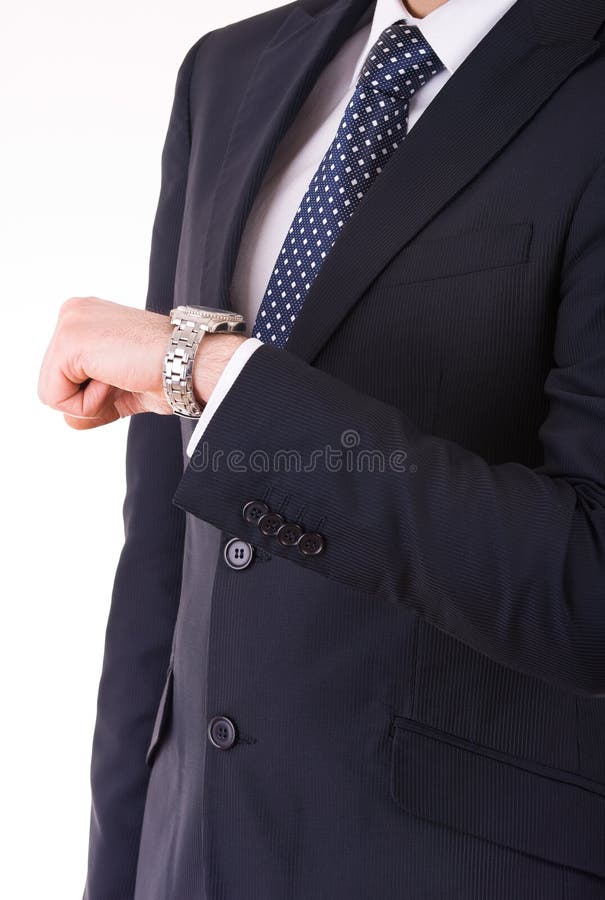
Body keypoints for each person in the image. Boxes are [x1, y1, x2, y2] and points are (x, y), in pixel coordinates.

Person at [38, 0, 605, 897]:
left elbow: (588, 583)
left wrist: (221, 374)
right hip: (192, 860)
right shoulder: (228, 70)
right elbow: (162, 556)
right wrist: (120, 869)